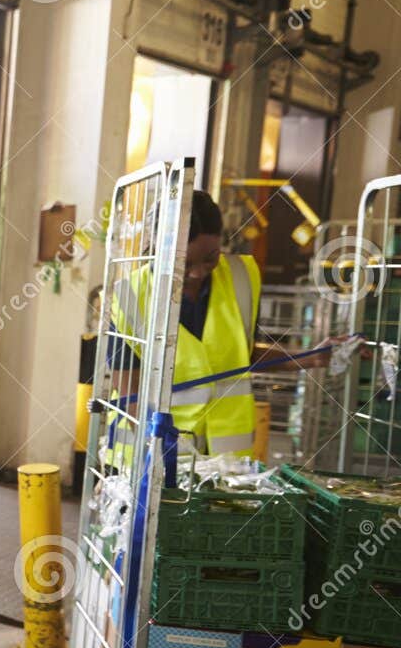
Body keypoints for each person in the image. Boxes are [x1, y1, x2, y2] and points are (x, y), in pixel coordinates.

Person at [106, 189, 336, 461]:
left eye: (210, 258)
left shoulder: (242, 278)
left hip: (224, 459)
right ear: (158, 248)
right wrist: (163, 456)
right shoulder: (129, 297)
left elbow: (241, 352)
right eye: (183, 263)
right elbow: (130, 393)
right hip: (148, 456)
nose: (197, 273)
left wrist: (307, 358)